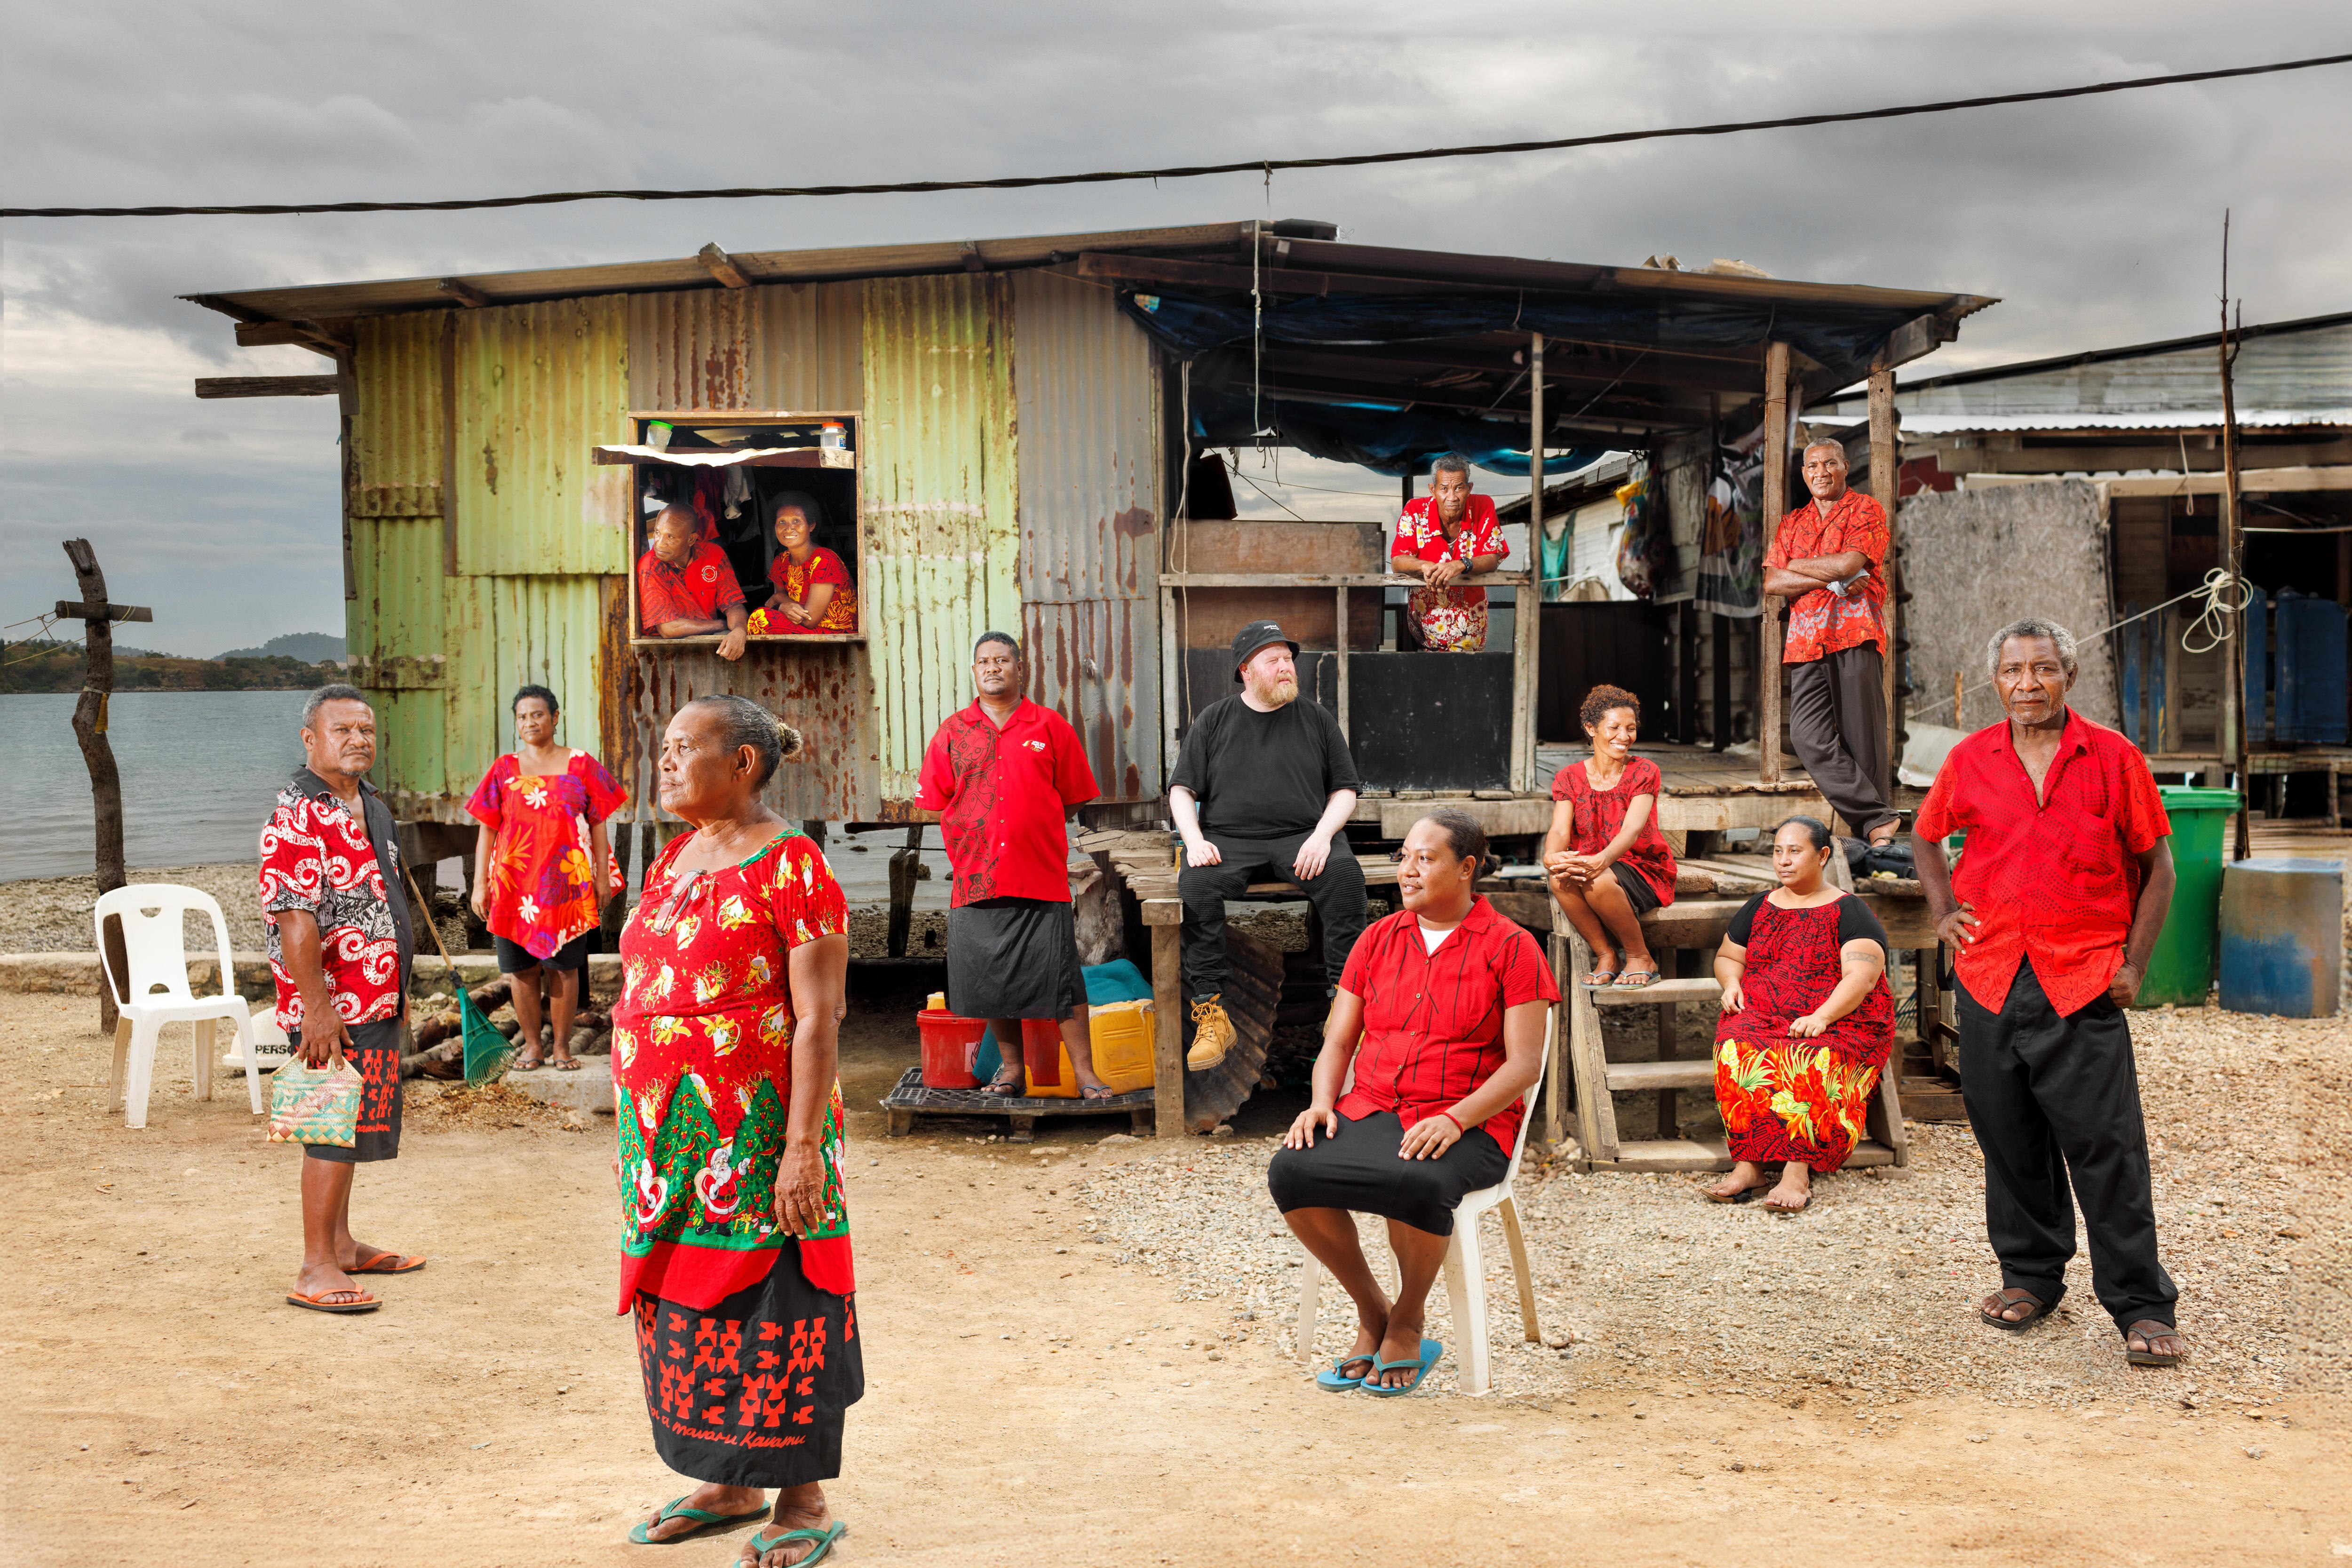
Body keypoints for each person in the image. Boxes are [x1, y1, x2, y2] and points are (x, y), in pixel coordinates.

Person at [613, 695, 858, 1565]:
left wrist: (799, 1147)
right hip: (666, 1145)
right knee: (681, 1301)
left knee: (775, 1303)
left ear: (744, 762)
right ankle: (727, 1481)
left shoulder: (795, 866)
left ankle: (801, 1497)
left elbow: (819, 1020)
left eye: (687, 747)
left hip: (756, 1140)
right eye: (666, 746)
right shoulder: (674, 858)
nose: (667, 760)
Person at [1914, 617, 2186, 1369]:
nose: (2026, 683)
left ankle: (2140, 1303)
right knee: (2009, 1138)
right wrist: (1943, 913)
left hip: (2082, 977)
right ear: (1995, 681)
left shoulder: (2113, 757)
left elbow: (2160, 869)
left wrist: (2134, 964)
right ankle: (2031, 1276)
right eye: (2012, 670)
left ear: (2069, 674)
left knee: (2107, 1146)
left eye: (2042, 669)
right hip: (1992, 972)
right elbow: (1925, 835)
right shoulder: (1970, 760)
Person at [1267, 810, 1557, 1394]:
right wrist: (1322, 1101)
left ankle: (1408, 1319)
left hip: (1468, 1117)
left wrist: (1455, 1118)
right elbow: (1340, 1039)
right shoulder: (1377, 939)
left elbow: (1524, 1064)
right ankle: (1373, 1309)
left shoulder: (1511, 947)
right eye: (1404, 857)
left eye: (1424, 859)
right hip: (1371, 1105)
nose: (1407, 870)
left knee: (1418, 1181)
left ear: (1466, 868)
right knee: (1291, 1170)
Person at [259, 685, 422, 1314]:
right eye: (342, 730)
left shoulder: (370, 804)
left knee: (353, 1126)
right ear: (310, 739)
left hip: (375, 995)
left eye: (366, 730)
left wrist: (398, 987)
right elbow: (295, 919)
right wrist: (318, 1009)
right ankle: (315, 1266)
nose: (358, 740)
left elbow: (384, 900)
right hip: (331, 1005)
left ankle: (345, 1245)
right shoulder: (298, 811)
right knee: (327, 1126)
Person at [913, 632, 1115, 1099]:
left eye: (1001, 660)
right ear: (973, 671)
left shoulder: (1049, 727)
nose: (992, 668)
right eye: (983, 661)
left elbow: (1071, 795)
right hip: (975, 876)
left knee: (1063, 981)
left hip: (1039, 875)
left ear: (1019, 669)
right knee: (990, 980)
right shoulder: (951, 731)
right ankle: (1009, 1071)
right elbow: (935, 798)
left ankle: (1085, 1075)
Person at [1169, 621, 1366, 1070]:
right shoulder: (1214, 719)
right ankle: (1212, 1012)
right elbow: (1182, 789)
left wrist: (1322, 836)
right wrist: (1195, 840)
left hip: (1303, 838)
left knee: (1343, 875)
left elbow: (1346, 789)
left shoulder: (1316, 718)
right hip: (1229, 841)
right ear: (1246, 671)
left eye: (1288, 660)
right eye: (1273, 660)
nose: (1286, 668)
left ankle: (1344, 1005)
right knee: (1197, 884)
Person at [1705, 816, 1897, 1213]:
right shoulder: (1760, 904)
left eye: (1795, 851)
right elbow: (1727, 956)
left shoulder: (1850, 910)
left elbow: (1861, 978)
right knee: (1735, 1046)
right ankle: (1749, 1166)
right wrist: (1731, 983)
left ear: (1823, 855)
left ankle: (1797, 1170)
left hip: (1842, 1017)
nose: (1784, 861)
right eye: (1778, 851)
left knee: (1809, 1056)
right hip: (1764, 1012)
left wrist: (1822, 1016)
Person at [465, 685, 627, 1070]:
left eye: (537, 714)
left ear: (555, 717)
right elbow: (487, 830)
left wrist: (602, 876)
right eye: (522, 716)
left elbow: (599, 824)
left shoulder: (581, 764)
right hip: (512, 886)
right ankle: (533, 1046)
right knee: (521, 970)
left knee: (564, 967)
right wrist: (479, 884)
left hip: (566, 886)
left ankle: (562, 1047)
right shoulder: (504, 768)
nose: (529, 722)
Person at [1761, 440, 1900, 849]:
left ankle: (1875, 832)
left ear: (1845, 467)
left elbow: (1850, 564)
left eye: (1829, 464)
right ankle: (1878, 816)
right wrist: (1833, 576)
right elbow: (1772, 582)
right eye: (1812, 466)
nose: (1820, 472)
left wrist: (1800, 567)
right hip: (1805, 642)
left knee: (1863, 734)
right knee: (1807, 737)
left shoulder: (1866, 510)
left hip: (1855, 631)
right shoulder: (1792, 522)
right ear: (1803, 472)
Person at [1543, 684, 1678, 988]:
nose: (1624, 736)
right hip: (1596, 863)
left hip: (1643, 866)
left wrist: (1600, 861)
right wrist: (1551, 855)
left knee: (1597, 877)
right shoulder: (1569, 777)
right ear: (1591, 728)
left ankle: (1640, 957)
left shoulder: (1644, 771)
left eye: (1631, 728)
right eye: (1614, 727)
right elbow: (1560, 830)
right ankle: (1606, 956)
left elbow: (1632, 830)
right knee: (1559, 878)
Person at [1390, 453, 1509, 653]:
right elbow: (1398, 560)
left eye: (1459, 488)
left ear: (1469, 489)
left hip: (1470, 622)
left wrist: (1462, 564)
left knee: (1465, 677)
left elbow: (1493, 557)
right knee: (1428, 678)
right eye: (1444, 489)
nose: (1452, 497)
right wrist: (1423, 565)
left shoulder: (1483, 506)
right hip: (1424, 620)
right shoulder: (1415, 511)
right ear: (1433, 490)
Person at [640, 502, 750, 661]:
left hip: (708, 642)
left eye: (670, 537)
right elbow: (668, 629)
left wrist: (739, 630)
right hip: (664, 652)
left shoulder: (713, 554)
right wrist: (722, 625)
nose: (659, 543)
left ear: (691, 539)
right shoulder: (650, 566)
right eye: (657, 533)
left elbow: (733, 604)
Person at [748, 493, 858, 637]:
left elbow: (809, 620)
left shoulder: (825, 560)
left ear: (811, 526)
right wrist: (781, 602)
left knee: (759, 619)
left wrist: (780, 603)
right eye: (782, 522)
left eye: (796, 521)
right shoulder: (781, 561)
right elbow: (780, 596)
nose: (788, 528)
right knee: (758, 619)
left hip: (835, 633)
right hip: (803, 629)